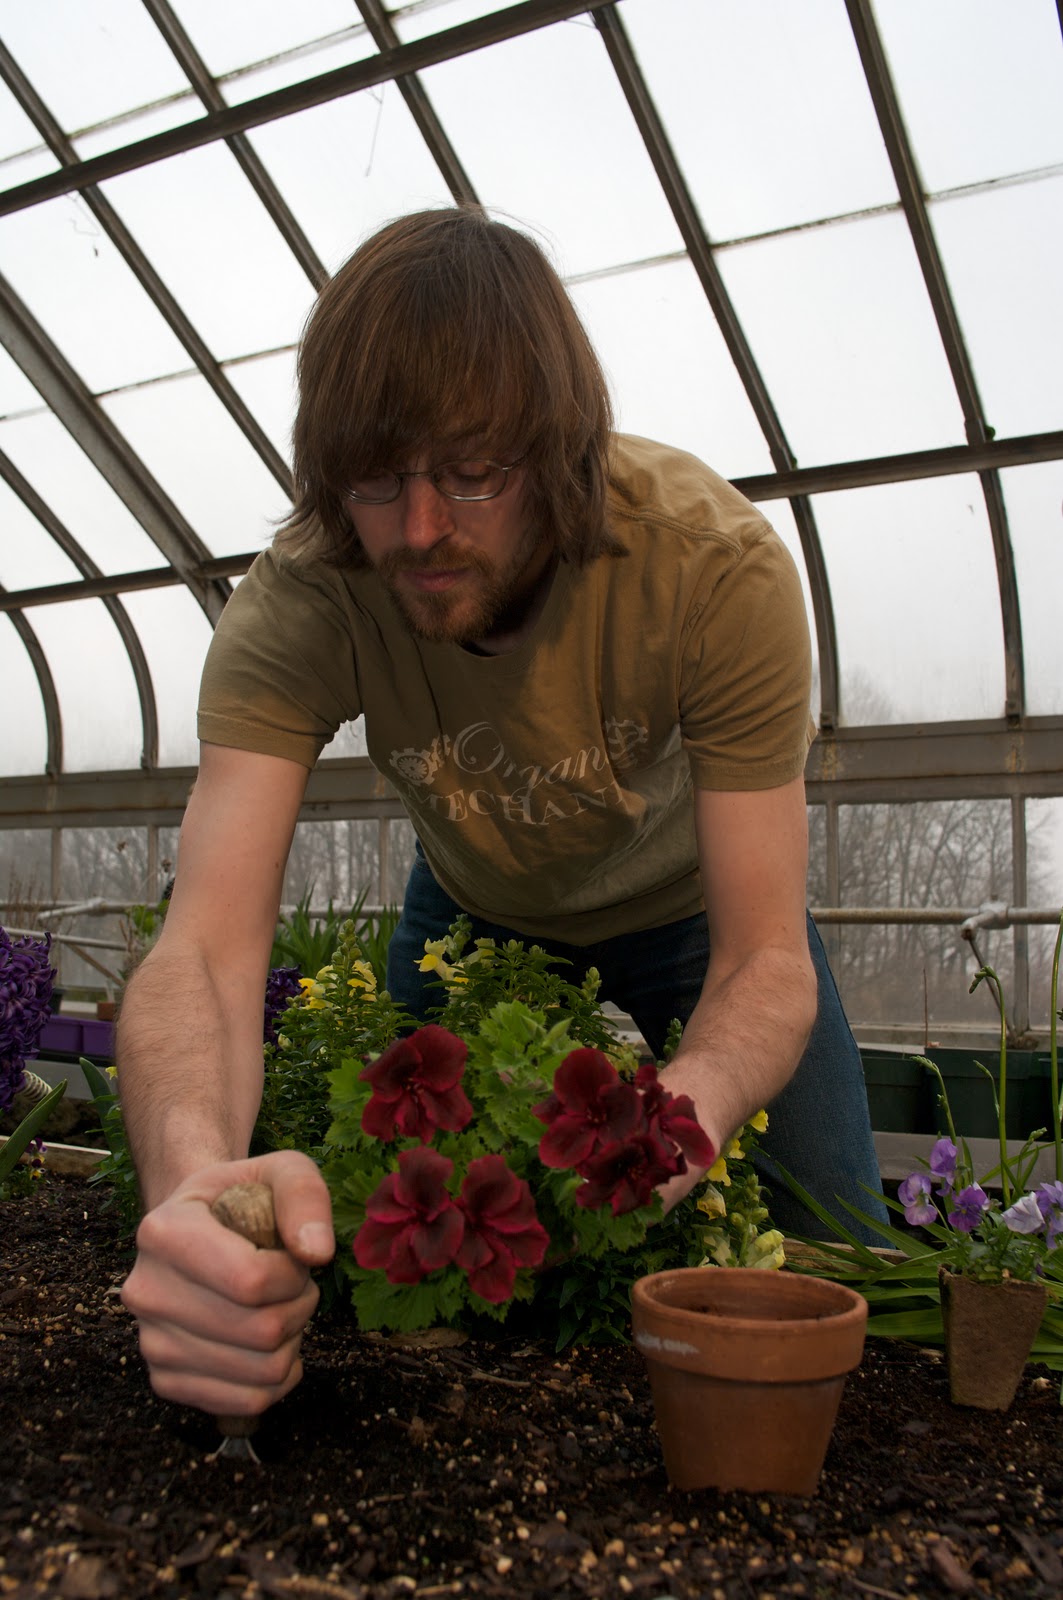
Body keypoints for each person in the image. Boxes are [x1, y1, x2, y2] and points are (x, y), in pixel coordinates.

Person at [118, 205, 886, 1426]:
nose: (419, 529)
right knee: (414, 1273)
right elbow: (204, 947)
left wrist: (663, 1146)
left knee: (840, 1246)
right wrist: (195, 1183)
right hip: (472, 913)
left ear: (560, 448)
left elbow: (766, 960)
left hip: (690, 915)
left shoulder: (709, 566)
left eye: (474, 471)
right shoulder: (309, 594)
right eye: (377, 479)